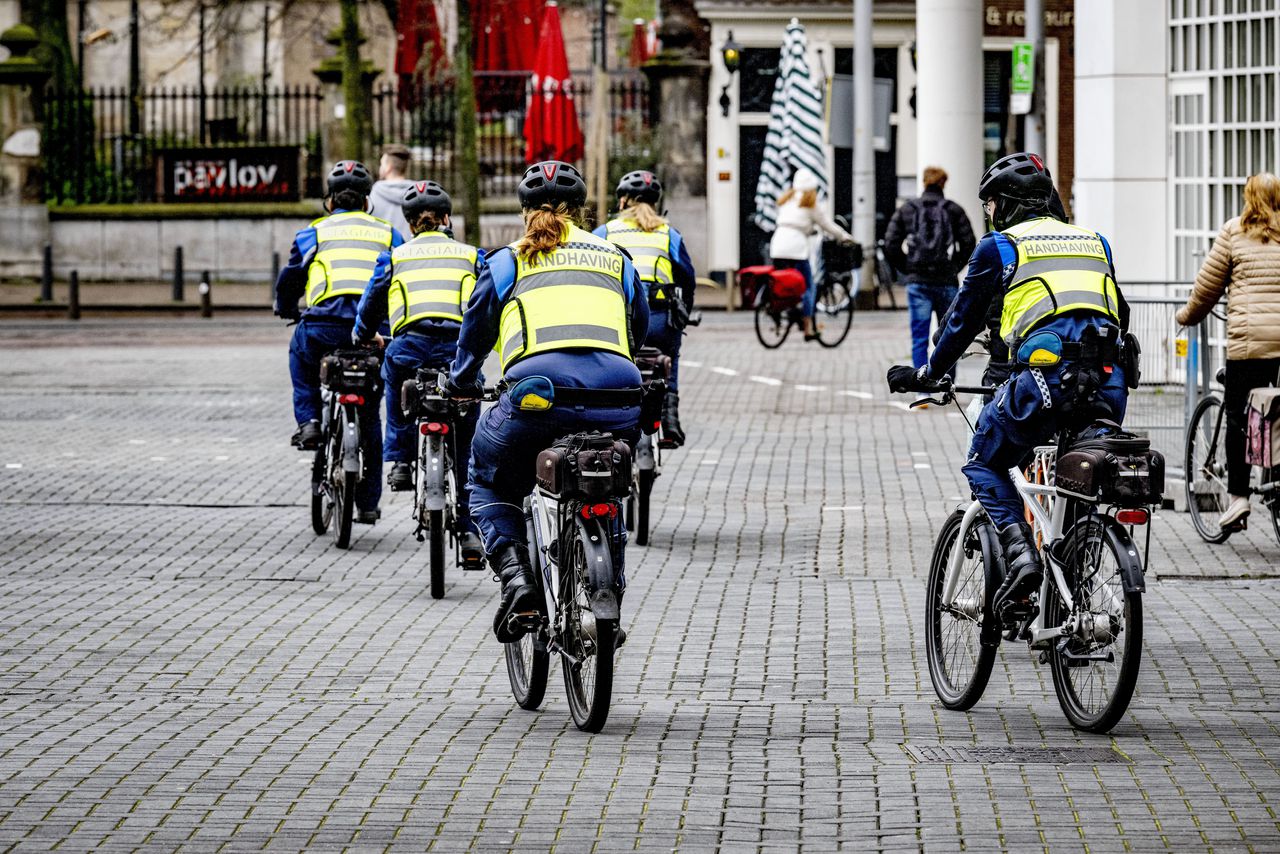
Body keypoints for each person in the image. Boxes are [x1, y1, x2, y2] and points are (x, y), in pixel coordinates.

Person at [886, 152, 1130, 627]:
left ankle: (1023, 560)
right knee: (1077, 478)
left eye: (993, 204)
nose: (990, 214)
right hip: (1108, 382)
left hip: (1044, 382)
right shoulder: (1095, 241)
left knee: (985, 459)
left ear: (1010, 204)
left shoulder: (1001, 246)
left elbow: (961, 321)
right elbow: (1116, 310)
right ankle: (1074, 589)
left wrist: (931, 372)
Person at [446, 161, 648, 642]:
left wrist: (462, 380)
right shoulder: (615, 257)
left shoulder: (508, 260)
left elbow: (475, 335)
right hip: (619, 396)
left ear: (523, 212)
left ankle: (519, 584)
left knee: (486, 480)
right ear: (582, 211)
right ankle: (608, 600)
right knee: (606, 484)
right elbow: (637, 328)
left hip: (537, 397)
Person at [353, 180, 485, 563]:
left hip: (409, 347)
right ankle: (468, 532)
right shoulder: (472, 255)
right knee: (467, 426)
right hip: (457, 352)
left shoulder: (396, 256)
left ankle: (401, 461)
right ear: (446, 219)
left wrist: (364, 334)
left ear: (411, 224)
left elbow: (372, 301)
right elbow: (488, 301)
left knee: (394, 380)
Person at [273, 160, 405, 525]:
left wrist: (285, 308)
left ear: (330, 201)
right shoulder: (388, 233)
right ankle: (368, 504)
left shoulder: (313, 232)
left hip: (324, 327)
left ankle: (311, 421)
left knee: (300, 355)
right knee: (369, 415)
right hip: (373, 332)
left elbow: (292, 278)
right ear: (367, 202)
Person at [1176, 171, 1280, 532]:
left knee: (1237, 416)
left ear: (1248, 198)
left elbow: (1206, 288)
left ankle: (1238, 498)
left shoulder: (1234, 232)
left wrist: (1185, 316)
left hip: (1249, 346)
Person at [594, 170, 696, 445]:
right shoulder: (669, 234)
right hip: (661, 319)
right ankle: (670, 424)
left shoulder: (605, 232)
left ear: (624, 201)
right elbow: (687, 277)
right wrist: (685, 311)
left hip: (621, 320)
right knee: (669, 360)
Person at [883, 166, 977, 392]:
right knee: (949, 336)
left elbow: (890, 243)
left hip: (918, 283)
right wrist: (954, 267)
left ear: (924, 182)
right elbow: (969, 244)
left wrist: (908, 268)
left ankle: (922, 387)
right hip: (946, 281)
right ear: (943, 183)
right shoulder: (954, 210)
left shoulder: (908, 209)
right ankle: (946, 384)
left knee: (919, 338)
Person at [769, 168, 855, 341]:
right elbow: (827, 225)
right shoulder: (810, 204)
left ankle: (780, 310)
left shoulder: (787, 200)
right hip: (796, 250)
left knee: (784, 281)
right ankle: (808, 328)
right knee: (808, 287)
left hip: (777, 246)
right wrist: (845, 236)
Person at [368, 144, 414, 238]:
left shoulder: (373, 194)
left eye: (381, 164)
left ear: (388, 167)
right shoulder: (417, 193)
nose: (380, 168)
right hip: (410, 250)